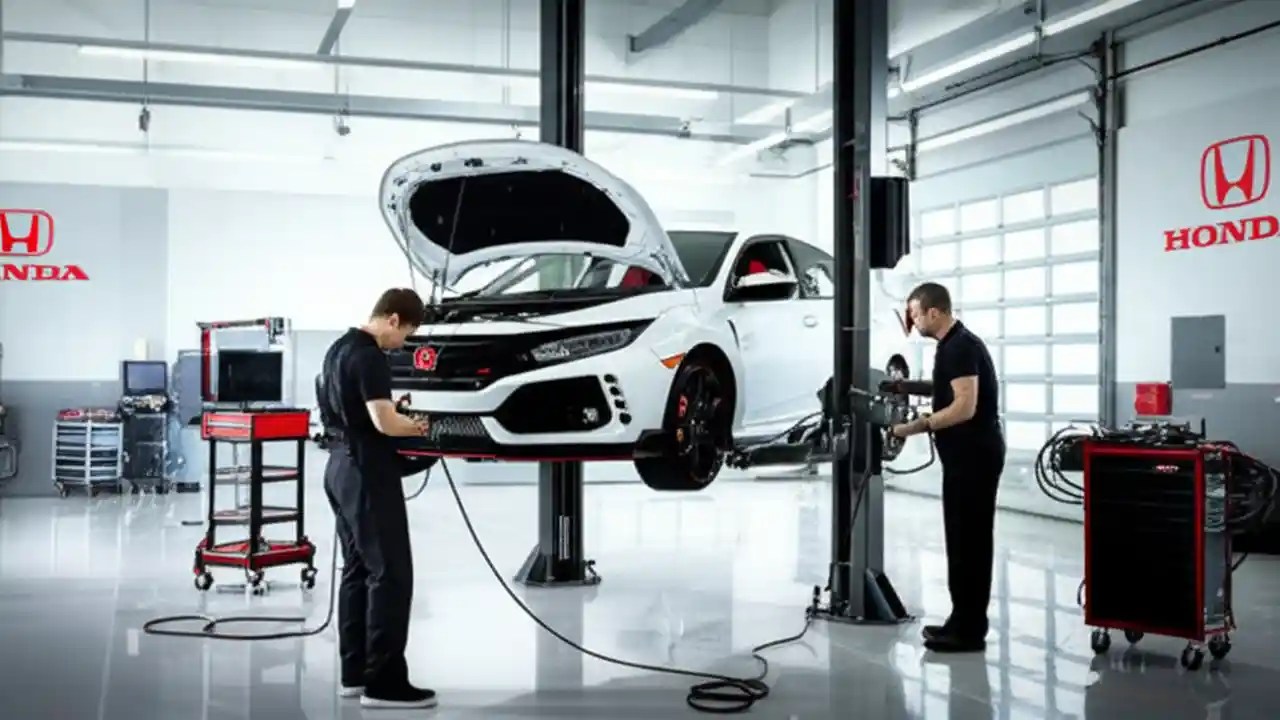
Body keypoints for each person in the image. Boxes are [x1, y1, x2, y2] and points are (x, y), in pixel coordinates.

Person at [316, 287, 437, 709]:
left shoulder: (337, 349)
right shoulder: (370, 355)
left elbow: (352, 409)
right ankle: (384, 683)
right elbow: (383, 422)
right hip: (367, 472)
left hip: (338, 469)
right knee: (391, 573)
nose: (402, 343)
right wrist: (419, 425)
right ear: (392, 320)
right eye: (406, 333)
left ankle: (354, 673)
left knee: (357, 570)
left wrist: (392, 412)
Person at [891, 282, 1004, 653]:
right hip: (965, 457)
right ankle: (961, 619)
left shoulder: (960, 347)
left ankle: (969, 631)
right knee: (961, 539)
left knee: (970, 542)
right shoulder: (955, 344)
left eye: (915, 313)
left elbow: (964, 407)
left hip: (974, 457)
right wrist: (904, 387)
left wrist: (918, 425)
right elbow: (948, 389)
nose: (913, 321)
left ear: (933, 312)